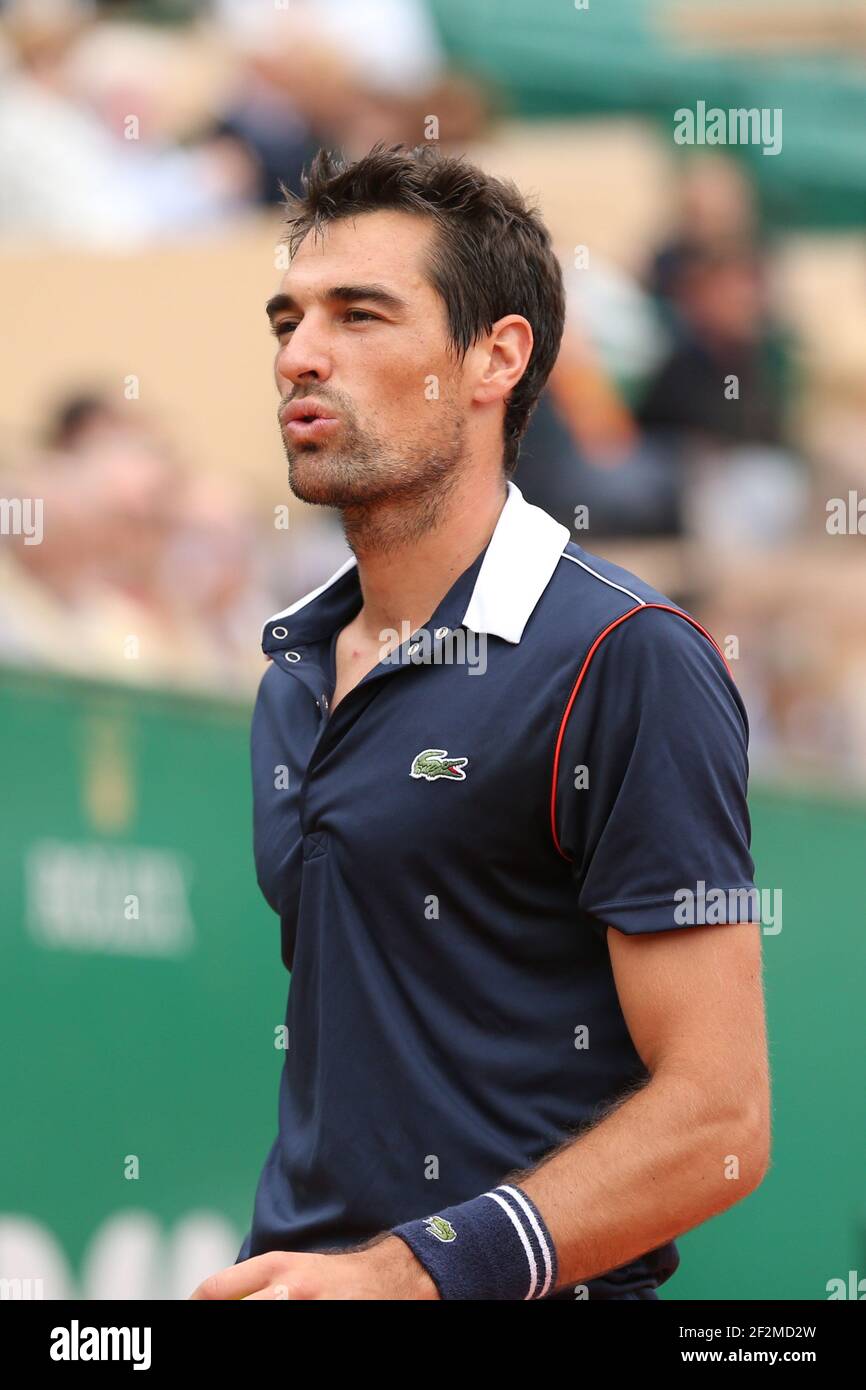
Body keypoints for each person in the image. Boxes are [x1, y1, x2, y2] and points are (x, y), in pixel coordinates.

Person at [190, 144, 770, 1302]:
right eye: (287, 318)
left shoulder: (626, 656)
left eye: (359, 315)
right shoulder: (292, 671)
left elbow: (720, 1117)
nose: (300, 355)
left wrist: (415, 1274)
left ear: (494, 357)